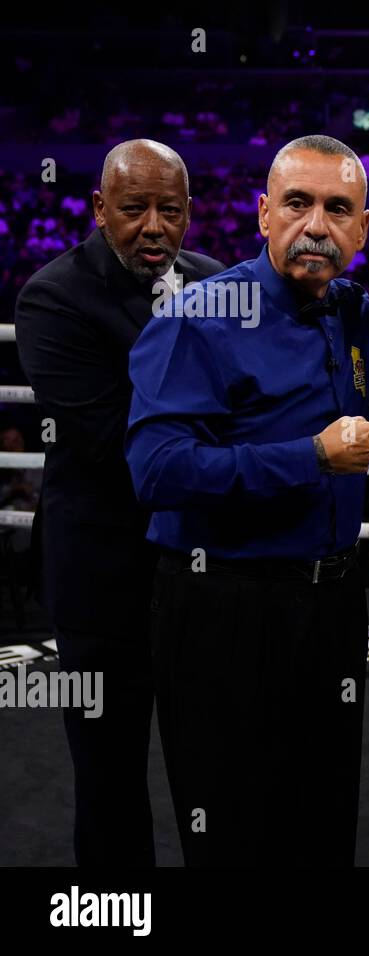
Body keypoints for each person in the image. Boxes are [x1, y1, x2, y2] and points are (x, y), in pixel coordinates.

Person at [125, 133, 369, 866]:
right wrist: (312, 456)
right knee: (233, 834)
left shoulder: (352, 312)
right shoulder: (197, 316)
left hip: (330, 604)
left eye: (338, 209)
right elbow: (156, 469)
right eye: (297, 203)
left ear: (363, 230)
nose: (316, 225)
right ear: (263, 214)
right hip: (221, 606)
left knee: (323, 827)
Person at [13, 140, 224, 866]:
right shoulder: (54, 296)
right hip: (101, 579)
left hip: (197, 576)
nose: (154, 227)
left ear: (190, 213)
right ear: (101, 209)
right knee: (108, 779)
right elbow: (115, 440)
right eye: (135, 209)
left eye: (170, 209)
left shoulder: (215, 281)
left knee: (213, 775)